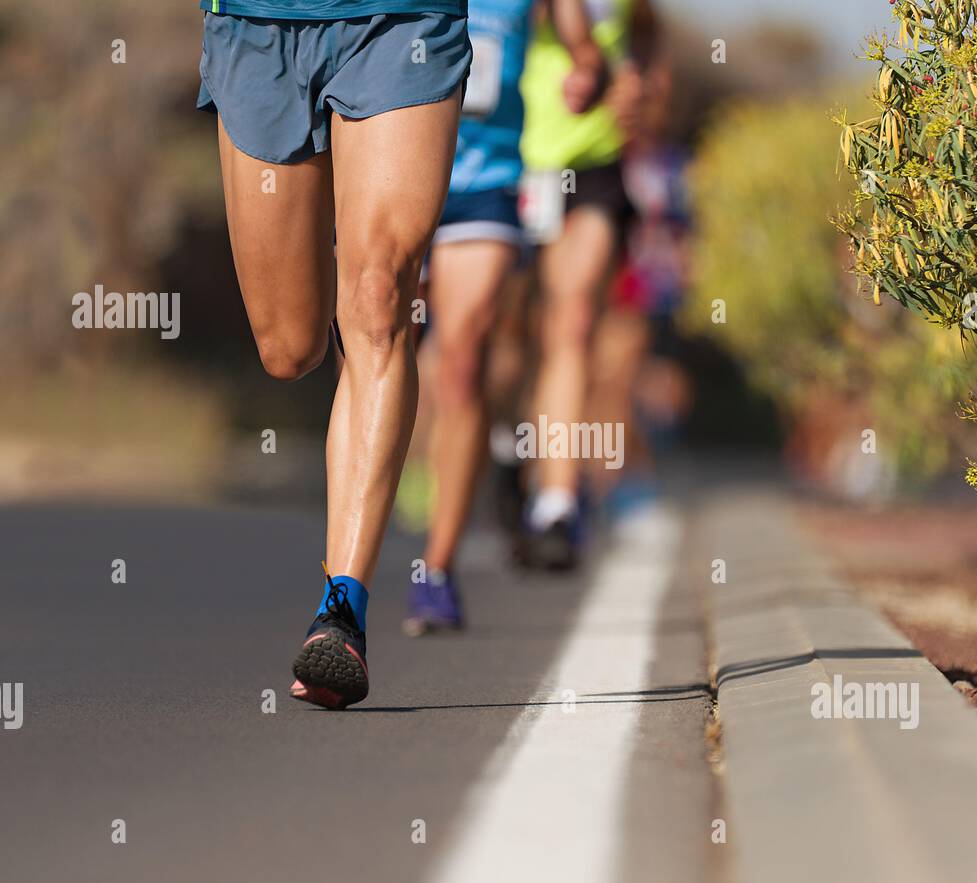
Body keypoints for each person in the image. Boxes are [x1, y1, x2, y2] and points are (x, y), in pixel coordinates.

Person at [195, 0, 472, 707]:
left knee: (379, 295)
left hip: (401, 20)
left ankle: (341, 613)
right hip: (259, 24)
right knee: (288, 346)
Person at [403, 0, 605, 635]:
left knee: (462, 360)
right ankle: (346, 571)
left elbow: (586, 50)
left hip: (485, 183)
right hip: (393, 174)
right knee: (380, 349)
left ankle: (435, 569)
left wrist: (588, 73)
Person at [514, 0, 659, 570]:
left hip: (596, 161)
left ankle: (556, 502)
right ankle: (511, 457)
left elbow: (647, 35)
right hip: (520, 157)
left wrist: (639, 87)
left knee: (572, 323)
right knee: (503, 338)